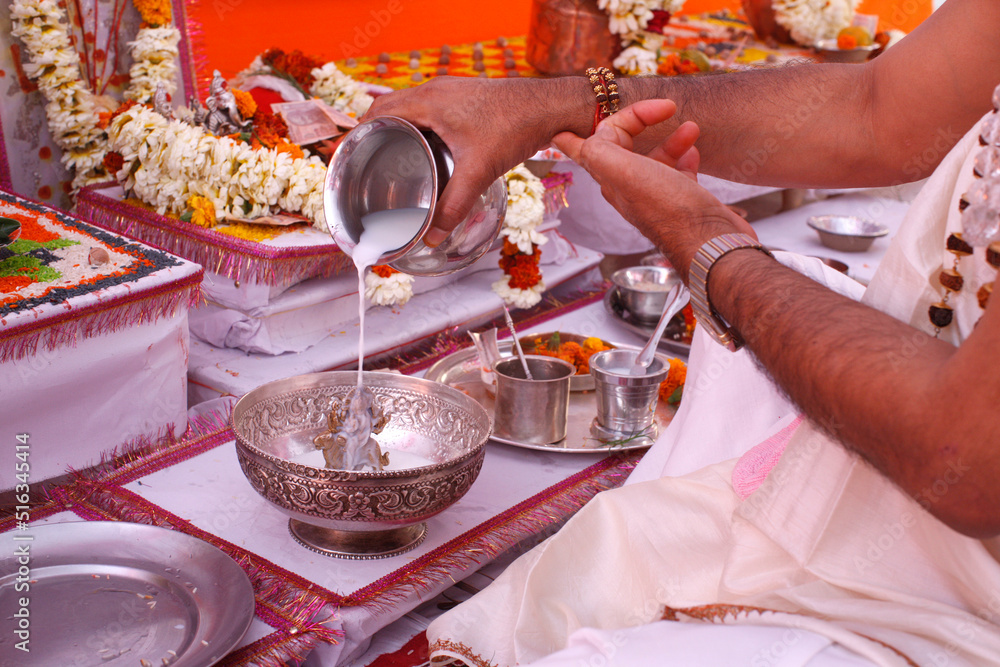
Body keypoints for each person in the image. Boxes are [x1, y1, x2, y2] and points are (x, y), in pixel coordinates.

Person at [363, 0, 1000, 663]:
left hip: (948, 590)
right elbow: (877, 110)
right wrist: (550, 105)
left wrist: (710, 248)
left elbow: (965, 460)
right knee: (607, 548)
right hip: (869, 491)